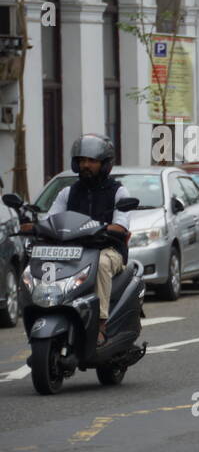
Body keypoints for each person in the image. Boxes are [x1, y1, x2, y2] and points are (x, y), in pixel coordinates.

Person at [22, 135, 131, 346]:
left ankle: (100, 323)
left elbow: (121, 225)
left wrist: (105, 229)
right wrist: (34, 227)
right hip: (72, 251)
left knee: (102, 264)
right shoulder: (67, 192)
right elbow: (51, 220)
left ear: (105, 164)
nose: (85, 165)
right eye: (81, 161)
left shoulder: (118, 191)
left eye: (91, 161)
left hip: (107, 250)